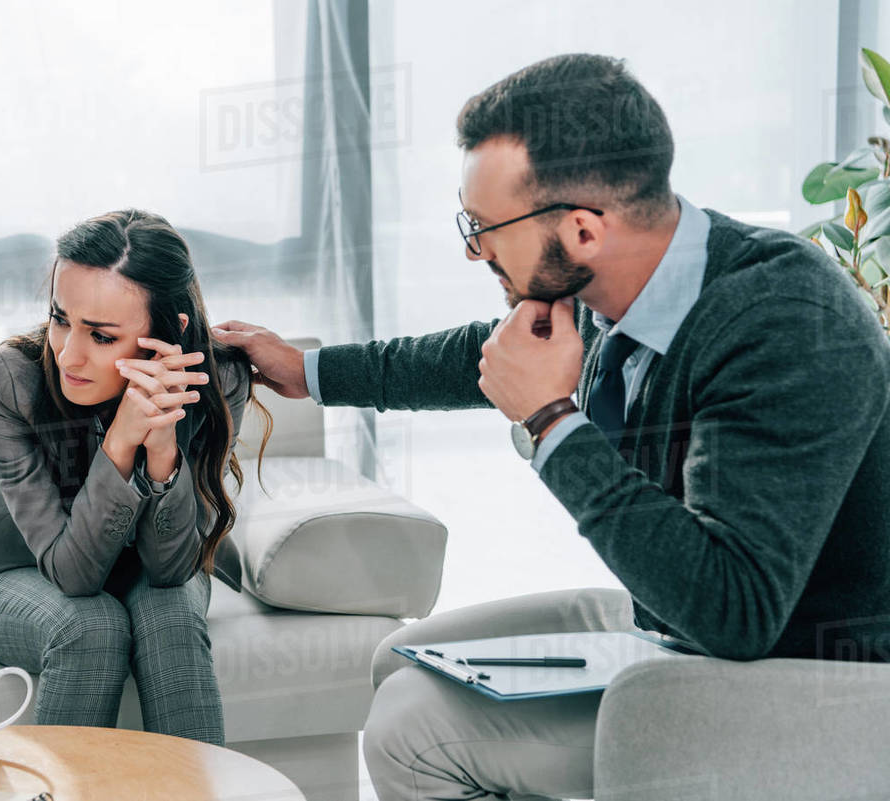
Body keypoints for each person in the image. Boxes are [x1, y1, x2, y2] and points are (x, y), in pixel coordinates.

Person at [214, 53, 890, 799]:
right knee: (399, 661)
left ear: (582, 229)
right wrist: (305, 372)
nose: (475, 250)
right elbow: (480, 353)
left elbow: (735, 611)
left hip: (811, 683)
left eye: (484, 228)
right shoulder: (629, 278)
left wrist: (550, 421)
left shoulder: (786, 322)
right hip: (674, 625)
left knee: (410, 731)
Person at [0, 209, 270, 746]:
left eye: (101, 335)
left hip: (145, 567)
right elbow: (74, 577)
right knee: (90, 625)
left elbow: (169, 570)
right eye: (60, 318)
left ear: (172, 331)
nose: (69, 354)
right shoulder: (8, 381)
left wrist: (161, 447)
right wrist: (120, 442)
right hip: (2, 571)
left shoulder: (218, 379)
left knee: (169, 615)